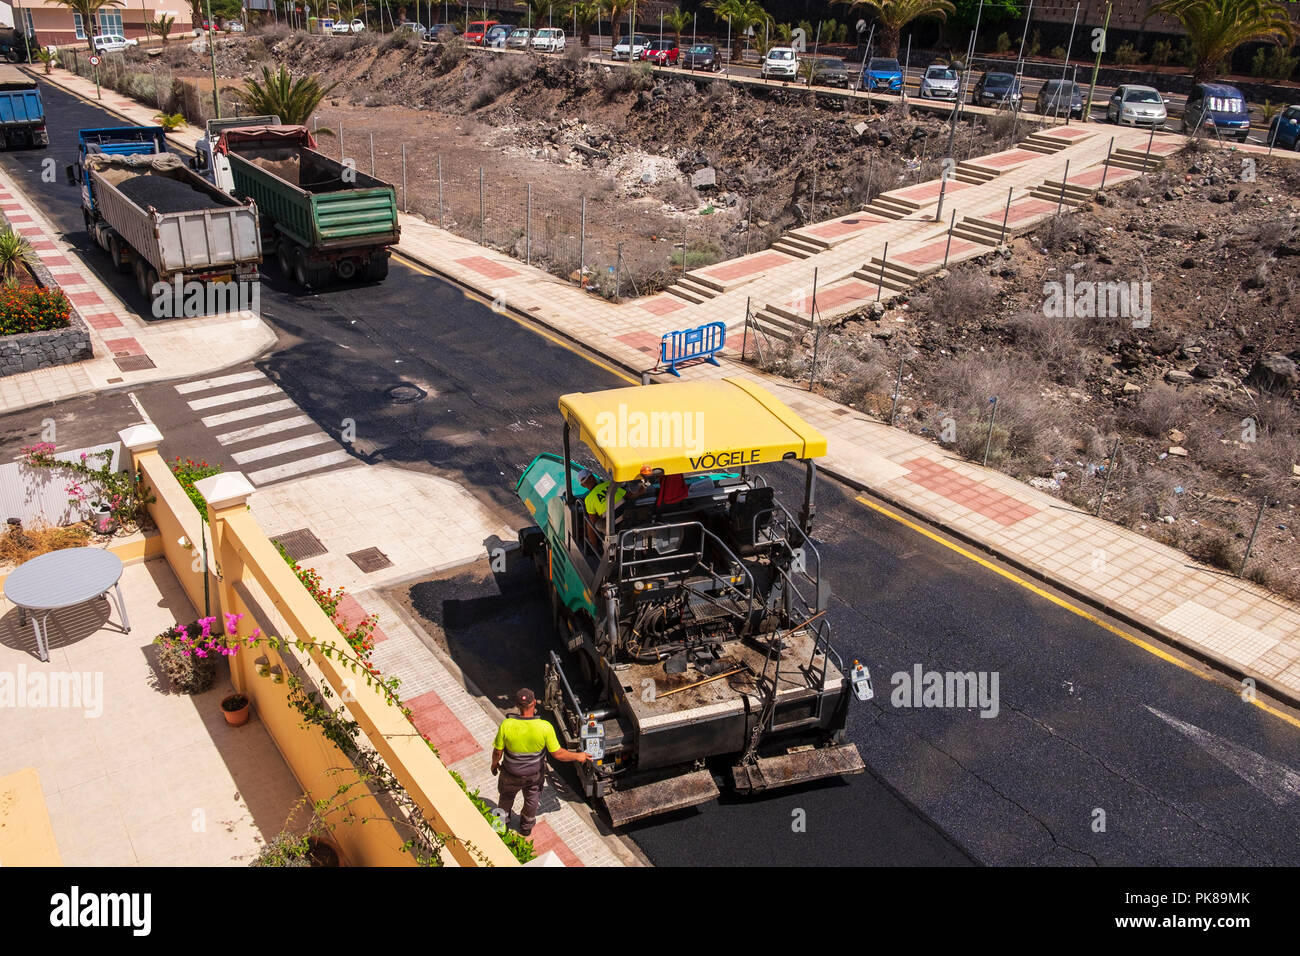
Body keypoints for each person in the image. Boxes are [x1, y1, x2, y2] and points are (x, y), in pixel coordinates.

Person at [492, 688, 590, 836]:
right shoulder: (545, 727)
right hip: (534, 775)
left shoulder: (507, 725)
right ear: (533, 704)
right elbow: (558, 754)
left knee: (505, 798)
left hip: (510, 773)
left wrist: (494, 764)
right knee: (532, 800)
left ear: (517, 705)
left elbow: (498, 752)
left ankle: (499, 826)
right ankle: (526, 827)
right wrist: (578, 756)